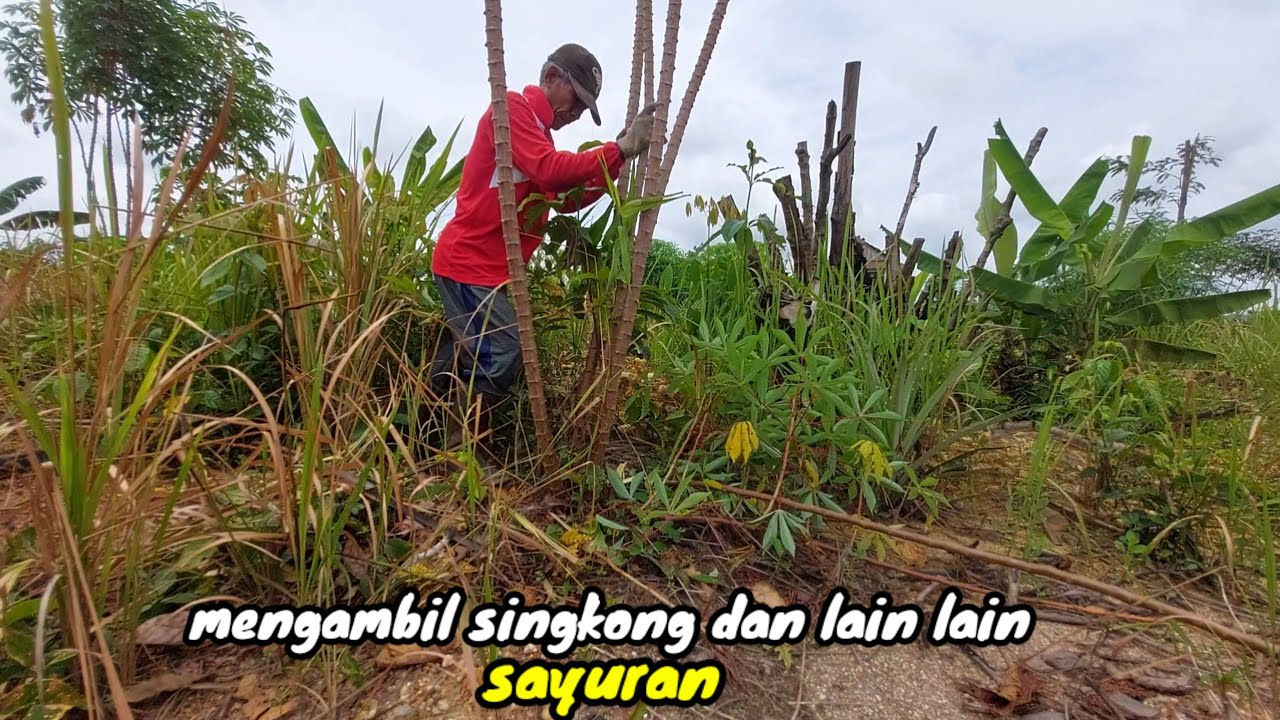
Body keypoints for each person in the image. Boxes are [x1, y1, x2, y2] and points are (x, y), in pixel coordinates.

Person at [429, 43, 657, 449]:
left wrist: (615, 167)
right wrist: (618, 150)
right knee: (504, 352)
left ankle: (428, 435)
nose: (578, 113)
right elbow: (551, 174)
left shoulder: (538, 137)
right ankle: (456, 448)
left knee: (473, 353)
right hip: (469, 265)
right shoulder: (512, 110)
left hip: (487, 271)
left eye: (586, 108)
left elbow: (561, 199)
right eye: (578, 99)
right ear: (552, 78)